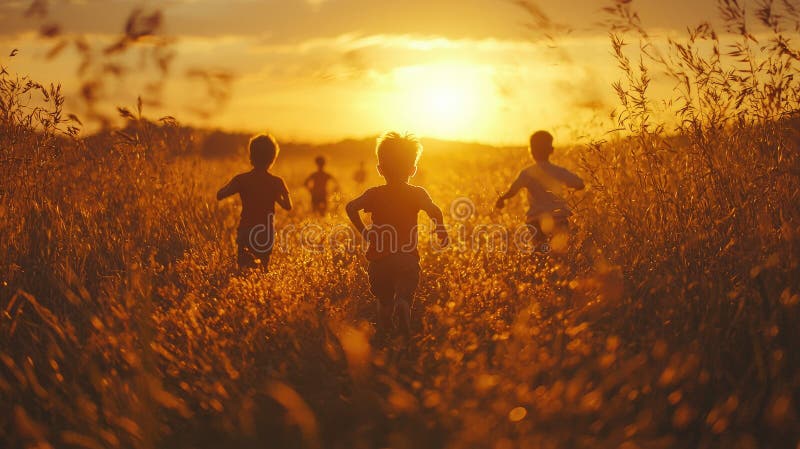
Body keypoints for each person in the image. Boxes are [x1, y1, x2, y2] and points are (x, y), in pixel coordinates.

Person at [346, 132, 449, 339]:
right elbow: (434, 211)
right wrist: (440, 228)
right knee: (404, 292)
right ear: (413, 169)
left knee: (384, 300)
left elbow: (351, 207)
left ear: (380, 169)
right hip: (406, 257)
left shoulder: (374, 194)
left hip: (379, 261)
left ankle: (384, 329)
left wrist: (364, 232)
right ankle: (402, 306)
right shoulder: (417, 193)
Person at [495, 130, 585, 253]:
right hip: (558, 219)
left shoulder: (527, 173)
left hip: (536, 221)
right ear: (551, 150)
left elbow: (513, 190)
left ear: (531, 150)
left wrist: (502, 199)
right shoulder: (559, 171)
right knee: (561, 253)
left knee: (540, 252)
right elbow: (580, 184)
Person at [217, 133, 292, 270]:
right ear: (273, 158)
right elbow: (288, 206)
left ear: (251, 156)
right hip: (265, 234)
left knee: (243, 271)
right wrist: (275, 196)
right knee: (263, 270)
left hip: (246, 231)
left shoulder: (241, 179)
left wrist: (230, 186)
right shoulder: (277, 182)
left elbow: (220, 195)